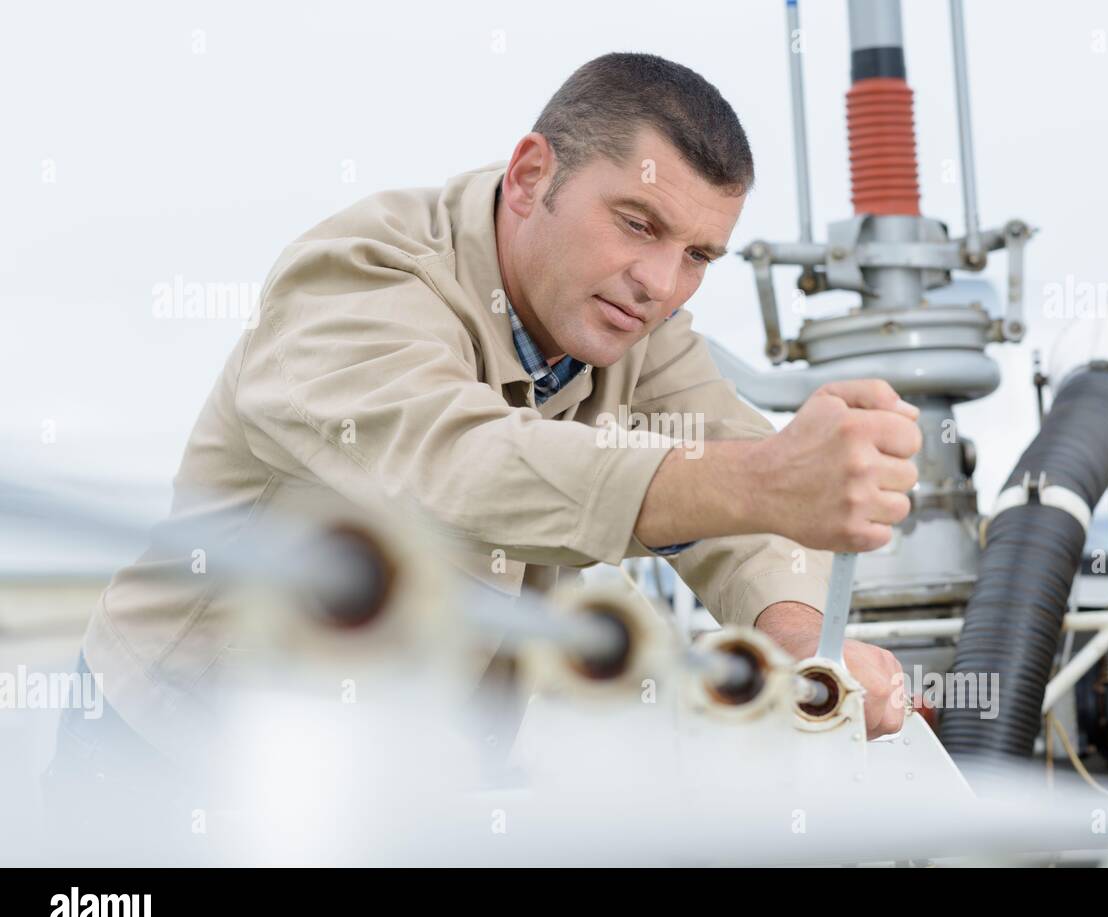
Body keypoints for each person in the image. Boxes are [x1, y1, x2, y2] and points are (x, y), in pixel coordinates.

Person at [57, 52, 922, 786]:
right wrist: (761, 482)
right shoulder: (358, 280)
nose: (659, 283)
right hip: (168, 762)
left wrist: (806, 642)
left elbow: (738, 506)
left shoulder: (636, 332)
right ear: (530, 175)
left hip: (399, 779)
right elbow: (462, 467)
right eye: (636, 223)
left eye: (696, 255)